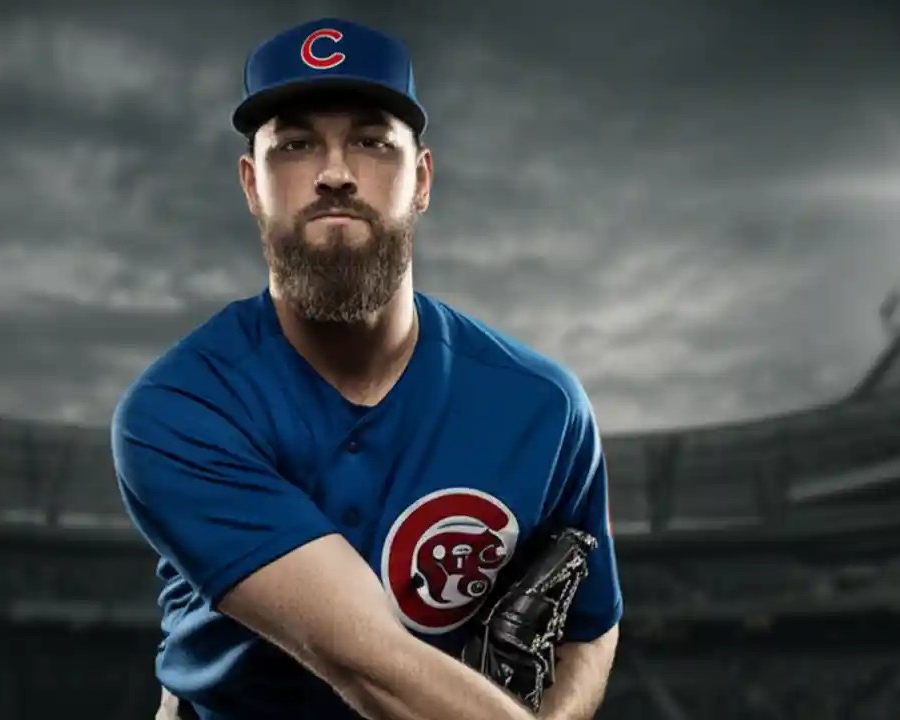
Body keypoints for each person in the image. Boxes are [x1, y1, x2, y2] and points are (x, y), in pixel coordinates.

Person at [112, 17, 621, 720]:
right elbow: (369, 664)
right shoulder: (182, 407)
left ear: (423, 179)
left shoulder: (544, 406)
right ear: (251, 185)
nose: (335, 173)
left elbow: (590, 633)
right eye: (294, 144)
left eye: (372, 141)